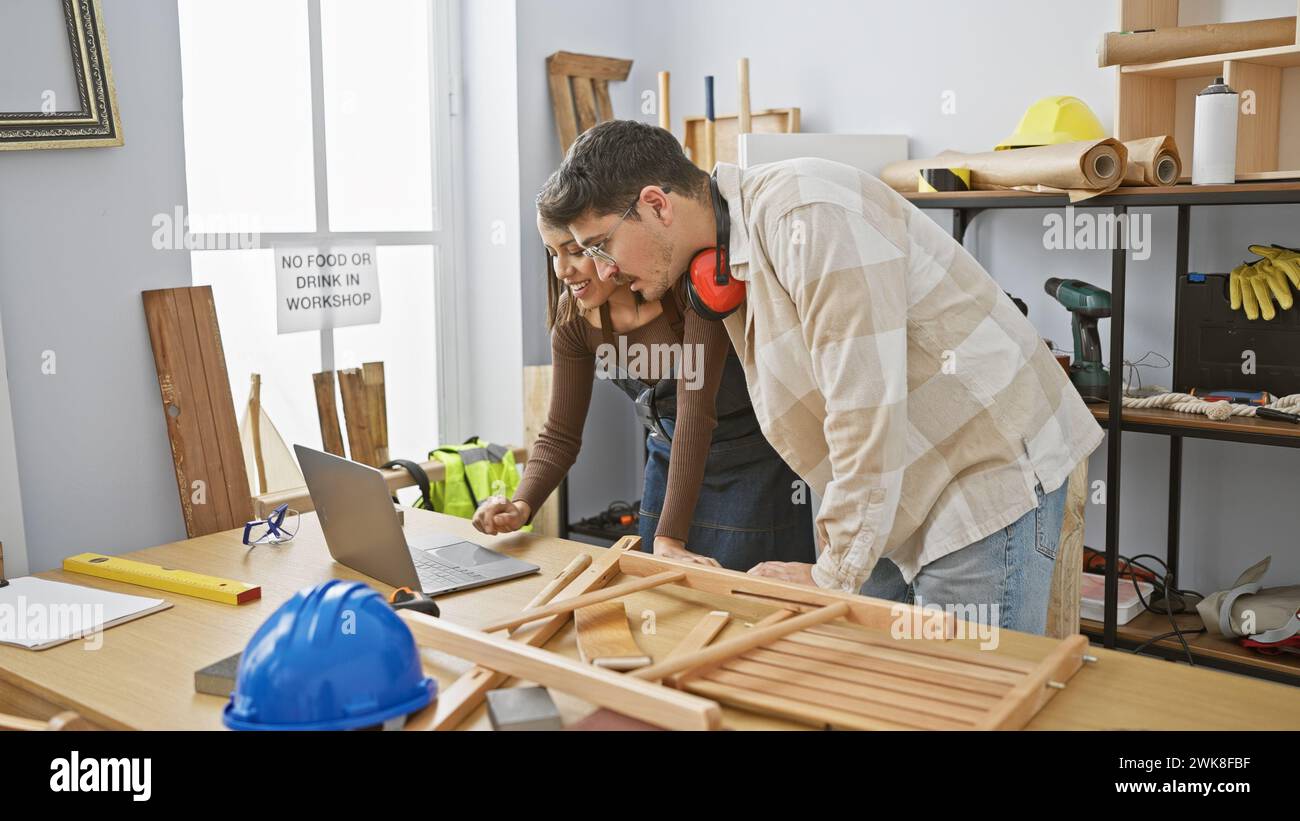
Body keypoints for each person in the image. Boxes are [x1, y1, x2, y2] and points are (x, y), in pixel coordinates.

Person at [535, 119, 1104, 634]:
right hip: (891, 493)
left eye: (599, 245)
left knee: (963, 700)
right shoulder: (725, 257)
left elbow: (863, 409)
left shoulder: (805, 217)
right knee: (877, 687)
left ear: (657, 204)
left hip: (978, 476)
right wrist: (837, 557)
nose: (602, 269)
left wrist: (832, 574)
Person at [470, 213, 815, 571]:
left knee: (753, 606)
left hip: (753, 470)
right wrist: (521, 505)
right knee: (666, 607)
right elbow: (560, 435)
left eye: (574, 251)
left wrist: (669, 539)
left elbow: (695, 414)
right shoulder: (574, 320)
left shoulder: (688, 293)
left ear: (607, 244)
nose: (561, 270)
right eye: (552, 253)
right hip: (667, 466)